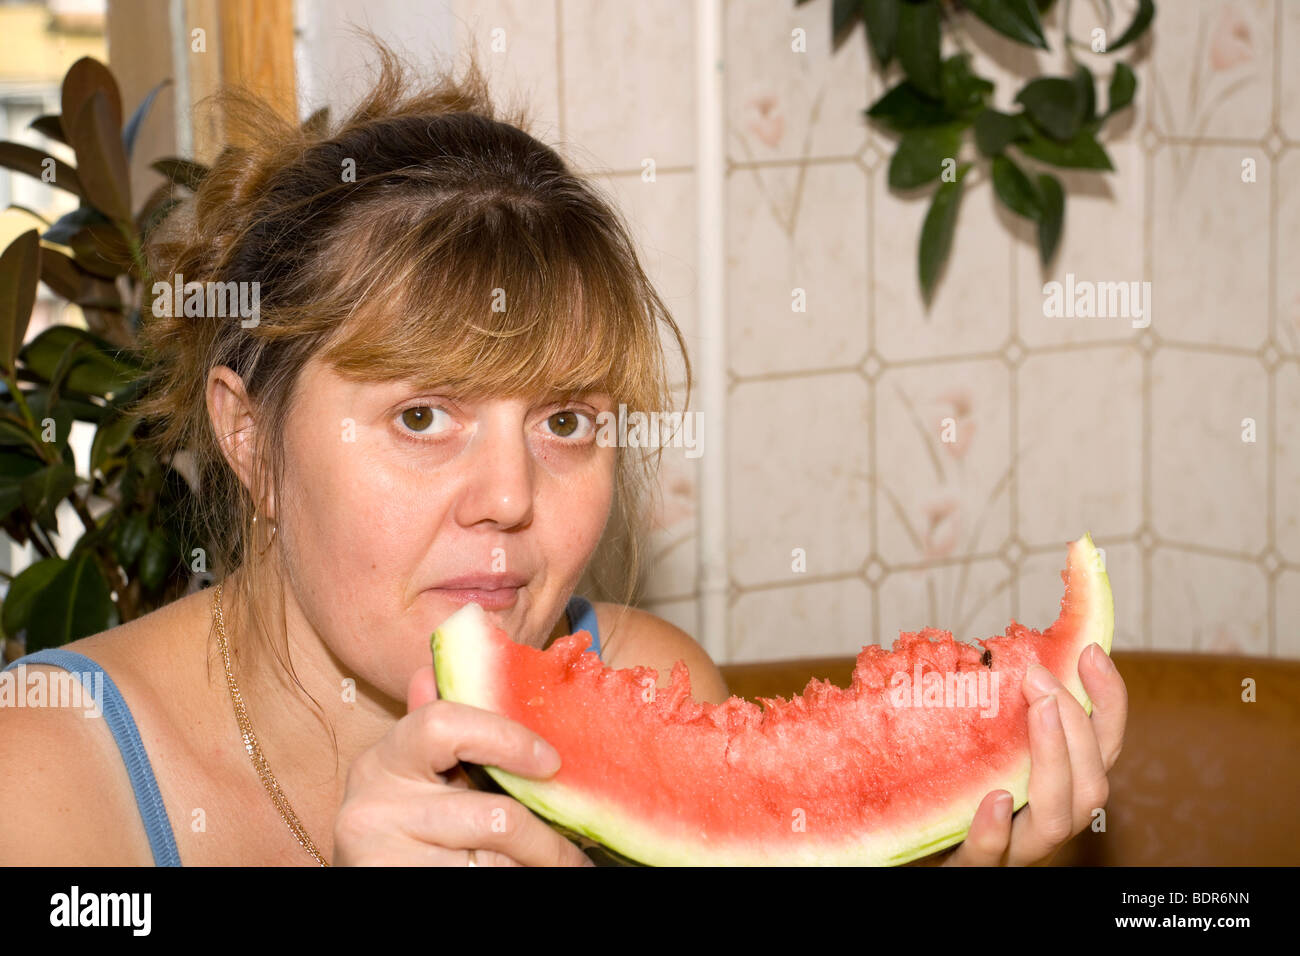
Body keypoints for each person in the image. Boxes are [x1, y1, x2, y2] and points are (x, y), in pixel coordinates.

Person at [0, 43, 1125, 867]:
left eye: (567, 422)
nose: (508, 499)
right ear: (247, 435)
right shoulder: (41, 775)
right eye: (424, 417)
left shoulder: (660, 681)